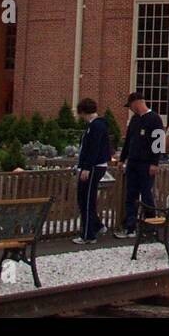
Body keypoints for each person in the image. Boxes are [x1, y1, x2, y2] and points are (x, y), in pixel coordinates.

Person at [113, 92, 164, 239]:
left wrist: (155, 162)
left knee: (147, 194)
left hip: (147, 163)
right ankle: (130, 226)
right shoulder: (134, 120)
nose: (131, 109)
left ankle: (150, 225)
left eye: (131, 106)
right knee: (131, 195)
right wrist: (123, 159)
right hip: (133, 162)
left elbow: (158, 142)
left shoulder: (154, 119)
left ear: (137, 103)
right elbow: (129, 140)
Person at [72, 98, 110, 245]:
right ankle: (97, 225)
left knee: (87, 199)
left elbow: (93, 148)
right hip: (93, 166)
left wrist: (86, 167)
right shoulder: (95, 125)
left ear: (83, 112)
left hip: (93, 167)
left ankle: (88, 234)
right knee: (84, 198)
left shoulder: (96, 126)